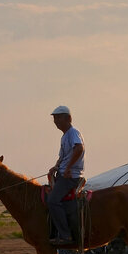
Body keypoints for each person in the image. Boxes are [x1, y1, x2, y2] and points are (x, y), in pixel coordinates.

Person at [47, 105, 85, 245]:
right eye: (54, 118)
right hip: (63, 173)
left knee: (52, 200)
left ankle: (65, 235)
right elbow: (63, 156)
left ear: (68, 118)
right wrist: (55, 167)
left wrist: (68, 168)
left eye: (58, 118)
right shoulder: (65, 136)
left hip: (70, 176)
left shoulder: (73, 133)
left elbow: (79, 148)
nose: (56, 121)